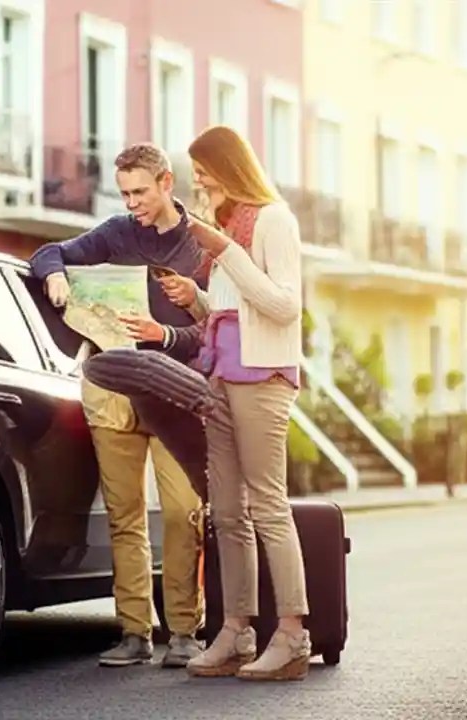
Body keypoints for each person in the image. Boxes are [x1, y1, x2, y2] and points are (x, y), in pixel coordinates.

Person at [28, 142, 207, 668]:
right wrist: (55, 275)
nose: (132, 203)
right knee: (124, 515)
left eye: (141, 192)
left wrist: (164, 333)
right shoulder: (115, 233)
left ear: (167, 183)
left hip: (175, 389)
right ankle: (134, 632)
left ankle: (184, 632)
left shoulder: (200, 247)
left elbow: (213, 332)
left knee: (182, 511)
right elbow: (47, 253)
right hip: (111, 388)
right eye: (125, 193)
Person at [155, 125, 312, 681]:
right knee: (225, 511)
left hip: (263, 378)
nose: (199, 182)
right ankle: (237, 630)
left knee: (267, 504)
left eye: (205, 172)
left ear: (230, 168)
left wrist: (224, 251)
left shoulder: (273, 220)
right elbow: (226, 314)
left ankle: (292, 635)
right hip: (219, 377)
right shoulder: (223, 229)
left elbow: (283, 305)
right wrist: (194, 298)